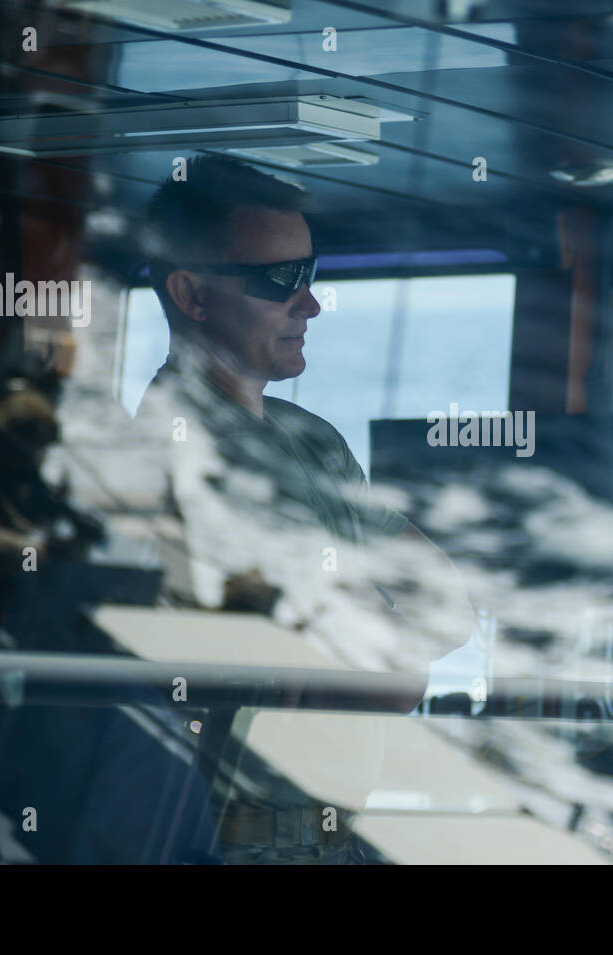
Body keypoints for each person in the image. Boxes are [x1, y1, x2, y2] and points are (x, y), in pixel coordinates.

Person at [131, 154, 476, 862]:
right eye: (278, 282)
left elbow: (447, 607)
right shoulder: (172, 456)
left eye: (310, 275)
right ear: (191, 294)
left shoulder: (314, 441)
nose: (310, 304)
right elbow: (391, 680)